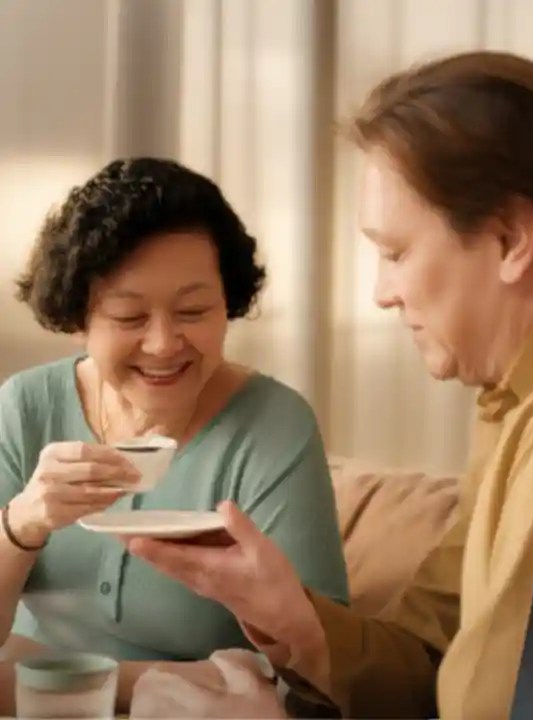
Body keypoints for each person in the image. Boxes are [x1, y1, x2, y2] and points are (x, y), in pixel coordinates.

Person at [123, 51, 533, 719]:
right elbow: (426, 661)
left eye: (396, 252)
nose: (383, 293)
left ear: (509, 237)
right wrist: (292, 616)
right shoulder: (515, 400)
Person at [0, 158, 349, 709]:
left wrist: (73, 682)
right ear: (77, 322)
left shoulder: (274, 427)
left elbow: (322, 668)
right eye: (128, 317)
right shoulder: (24, 407)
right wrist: (22, 523)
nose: (164, 343)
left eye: (194, 310)